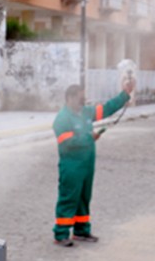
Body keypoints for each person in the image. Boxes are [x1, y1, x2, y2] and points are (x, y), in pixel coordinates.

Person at [51, 78, 135, 246]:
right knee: (69, 197)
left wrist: (125, 94)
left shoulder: (86, 112)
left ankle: (81, 231)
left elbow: (106, 108)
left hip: (87, 165)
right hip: (71, 166)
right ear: (70, 98)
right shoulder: (62, 119)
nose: (84, 101)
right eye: (81, 98)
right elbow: (67, 142)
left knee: (84, 198)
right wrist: (89, 138)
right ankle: (61, 234)